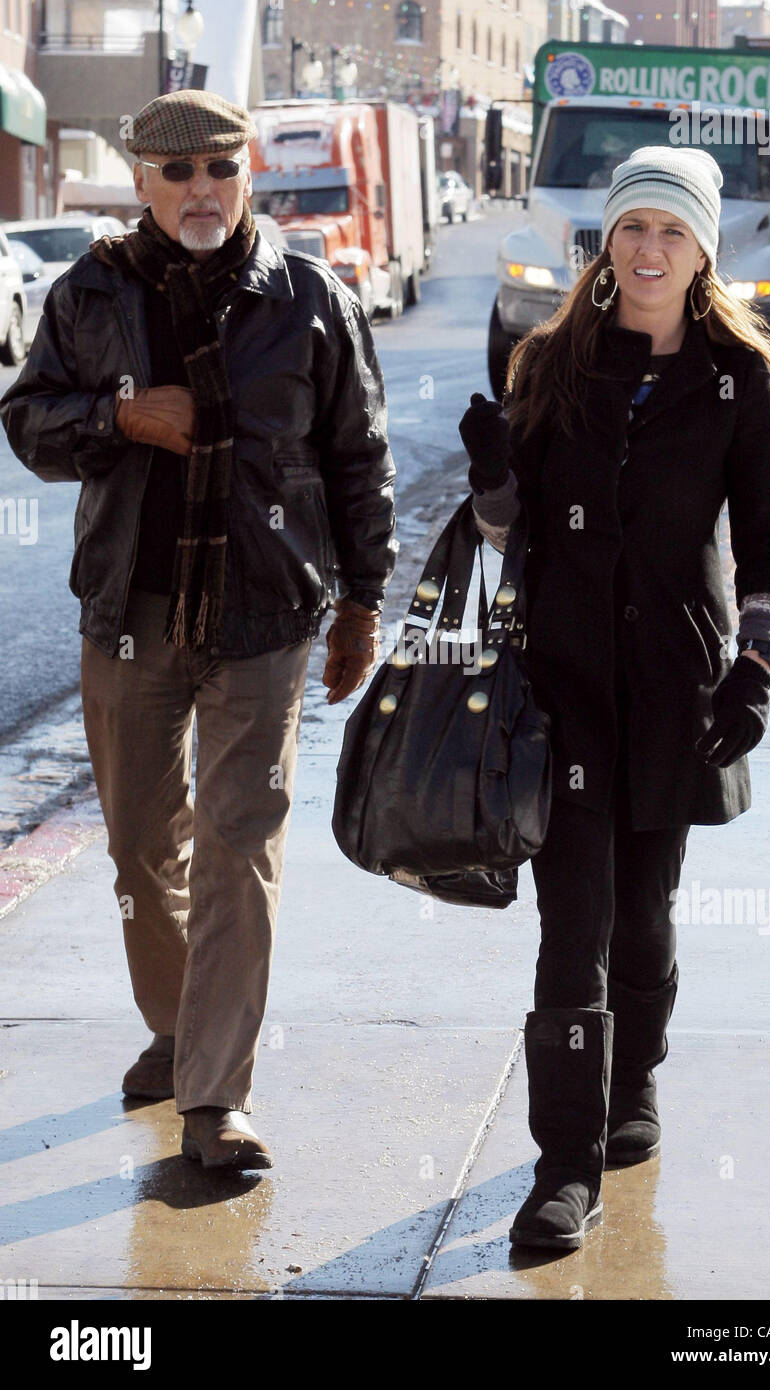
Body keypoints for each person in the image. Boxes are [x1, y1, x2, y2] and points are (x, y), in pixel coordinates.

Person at [0, 90, 397, 1171]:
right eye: (175, 173)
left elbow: (360, 452)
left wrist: (362, 599)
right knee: (139, 844)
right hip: (128, 611)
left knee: (238, 841)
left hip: (265, 615)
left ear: (248, 172)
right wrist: (119, 416)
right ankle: (177, 1024)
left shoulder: (307, 295)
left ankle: (216, 1092)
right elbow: (28, 423)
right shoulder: (89, 294)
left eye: (219, 168)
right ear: (139, 181)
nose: (199, 190)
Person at [458, 145, 770, 1251]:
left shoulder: (735, 377)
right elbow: (507, 536)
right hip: (562, 687)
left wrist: (754, 665)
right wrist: (493, 477)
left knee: (644, 918)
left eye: (671, 231)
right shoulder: (551, 359)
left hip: (678, 687)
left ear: (702, 250)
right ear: (606, 241)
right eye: (631, 228)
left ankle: (632, 1089)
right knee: (573, 926)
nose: (648, 249)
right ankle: (565, 1163)